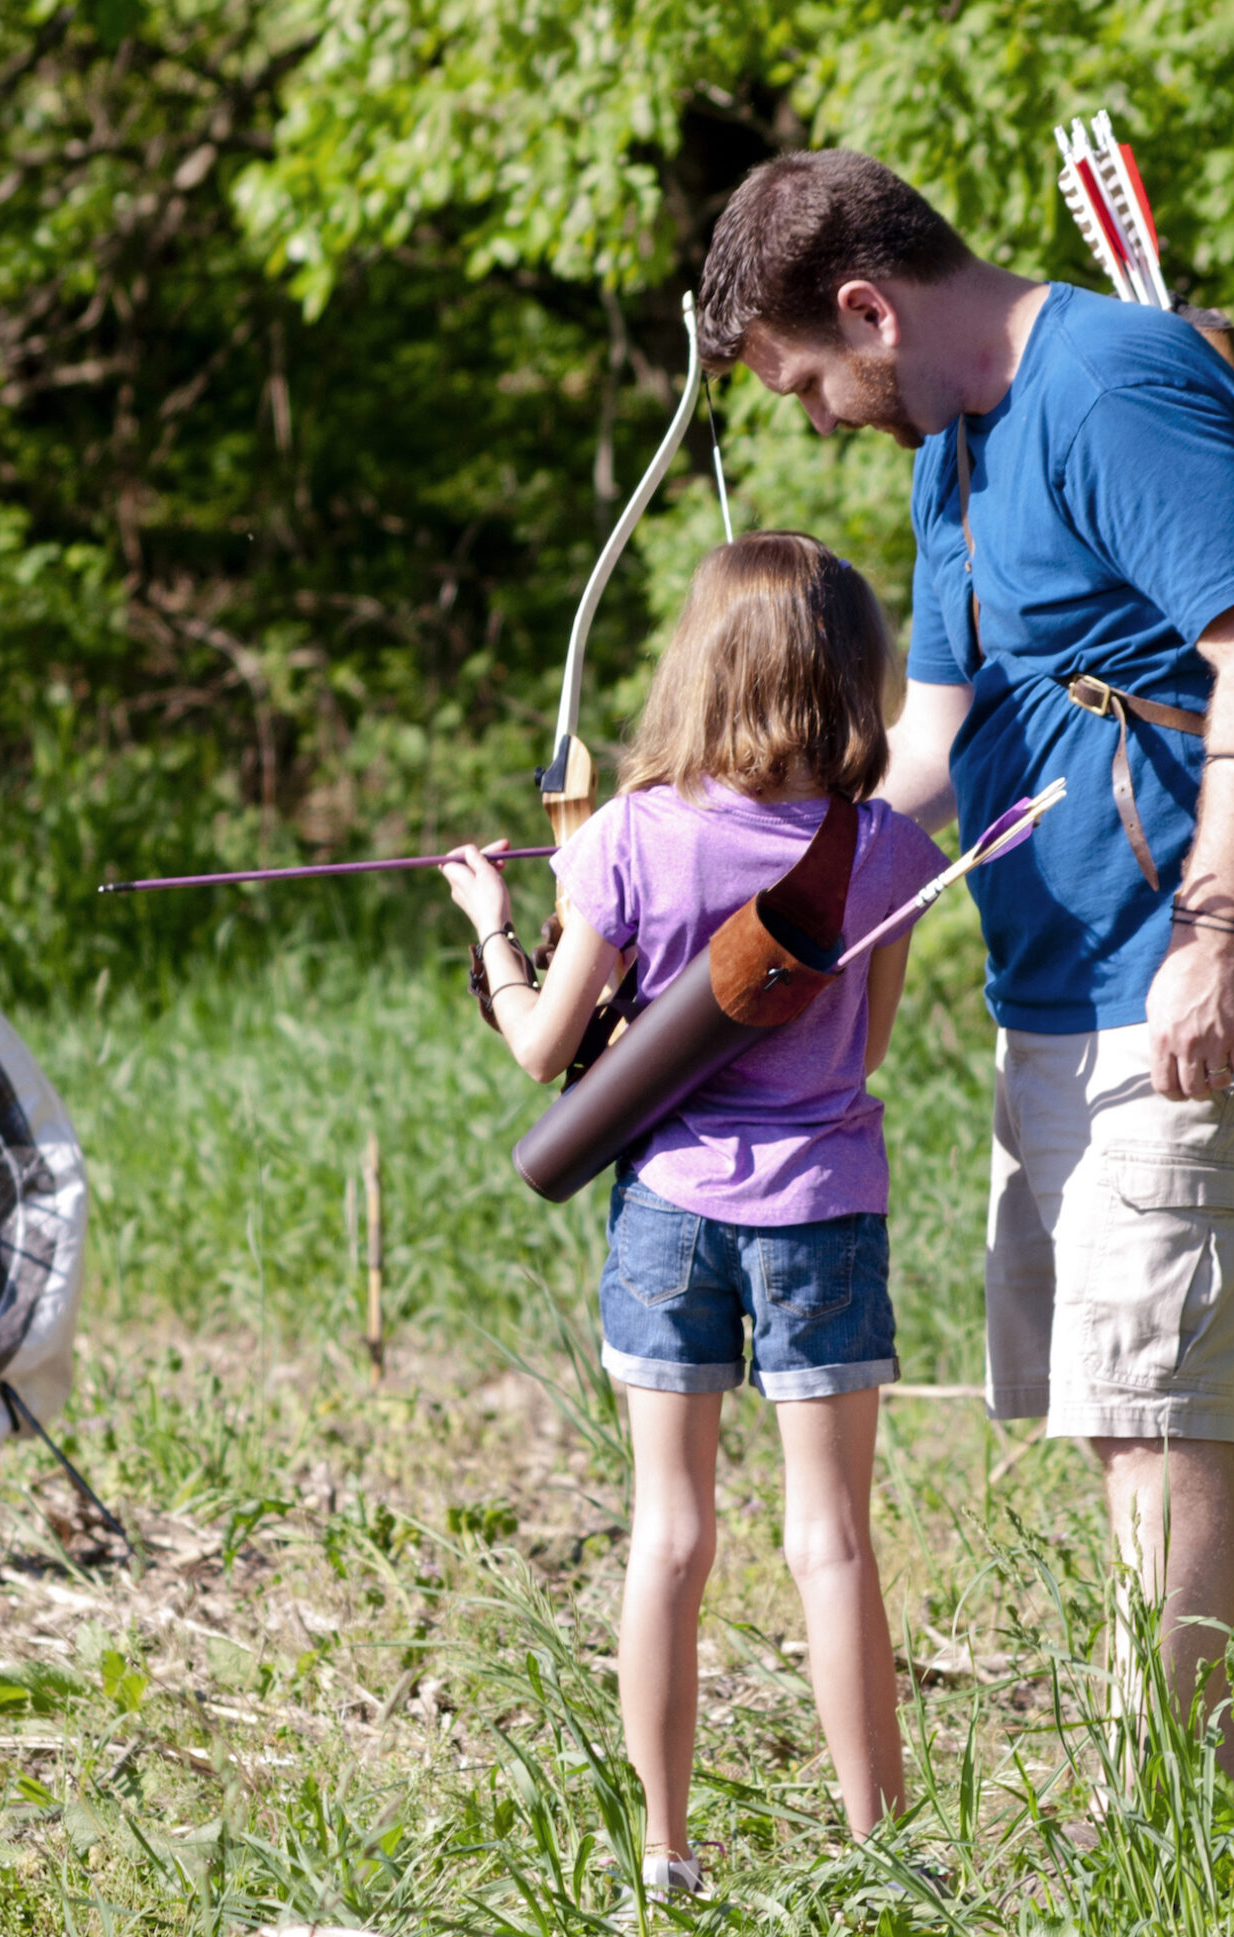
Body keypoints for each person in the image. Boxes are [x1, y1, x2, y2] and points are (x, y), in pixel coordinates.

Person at [695, 150, 1234, 1781]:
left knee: (1160, 1404)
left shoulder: (1120, 384)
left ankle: (1184, 1822)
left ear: (869, 305)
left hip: (1199, 973)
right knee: (1111, 1404)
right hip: (1050, 992)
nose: (823, 420)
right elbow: (929, 745)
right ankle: (1195, 1796)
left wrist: (1215, 933)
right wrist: (721, 867)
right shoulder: (954, 462)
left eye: (810, 382)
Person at [443, 533, 944, 1889]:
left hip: (667, 1212)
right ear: (853, 677)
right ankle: (884, 1858)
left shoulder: (622, 836)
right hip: (824, 1213)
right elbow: (866, 1048)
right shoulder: (887, 849)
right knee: (830, 1533)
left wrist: (497, 925)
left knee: (669, 1530)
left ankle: (664, 1858)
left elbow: (547, 1052)